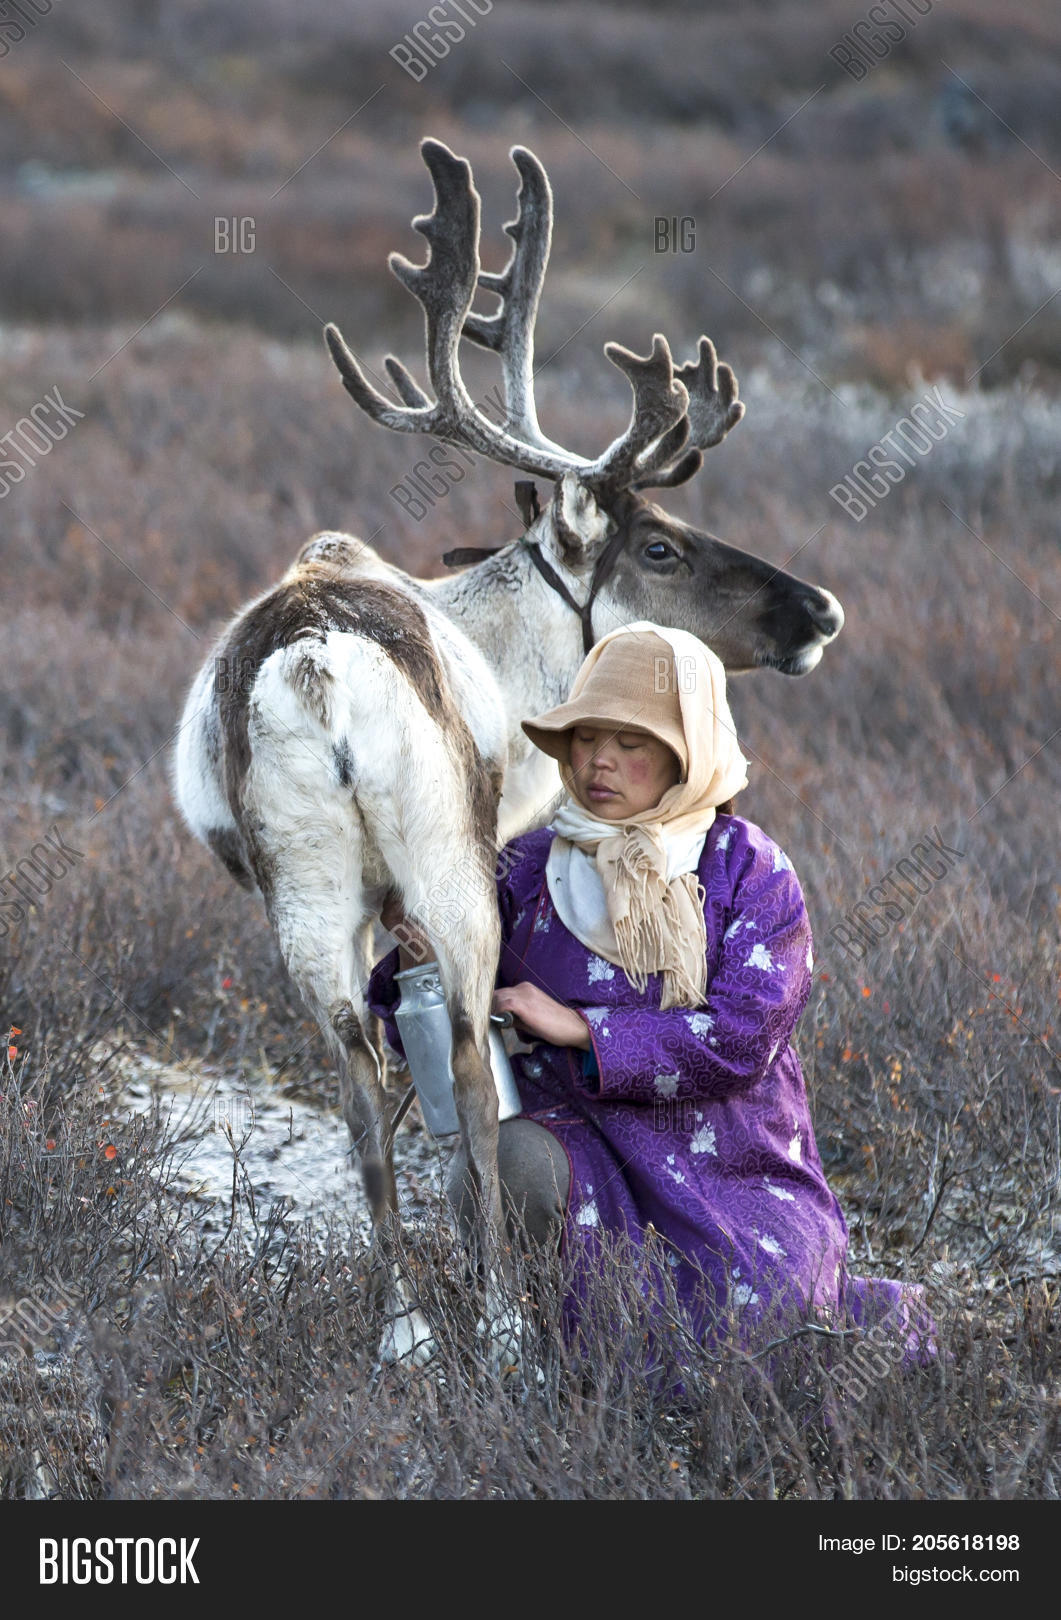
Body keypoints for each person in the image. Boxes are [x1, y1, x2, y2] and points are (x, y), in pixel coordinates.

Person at [368, 622, 931, 1355]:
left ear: (687, 752)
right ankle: (531, 1356)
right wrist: (422, 955)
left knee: (770, 1325)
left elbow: (740, 1041)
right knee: (503, 1168)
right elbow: (423, 1029)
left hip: (728, 1162)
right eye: (584, 738)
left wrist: (582, 1028)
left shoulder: (748, 872)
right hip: (576, 1149)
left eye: (630, 742)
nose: (599, 760)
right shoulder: (521, 868)